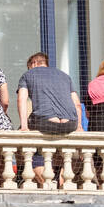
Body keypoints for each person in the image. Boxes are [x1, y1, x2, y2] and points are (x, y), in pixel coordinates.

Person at [17, 52, 82, 188]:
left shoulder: (28, 75)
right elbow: (76, 103)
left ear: (33, 64)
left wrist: (24, 126)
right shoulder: (65, 76)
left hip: (45, 123)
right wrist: (79, 126)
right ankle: (59, 176)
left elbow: (22, 99)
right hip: (70, 124)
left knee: (21, 145)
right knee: (59, 146)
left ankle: (27, 178)